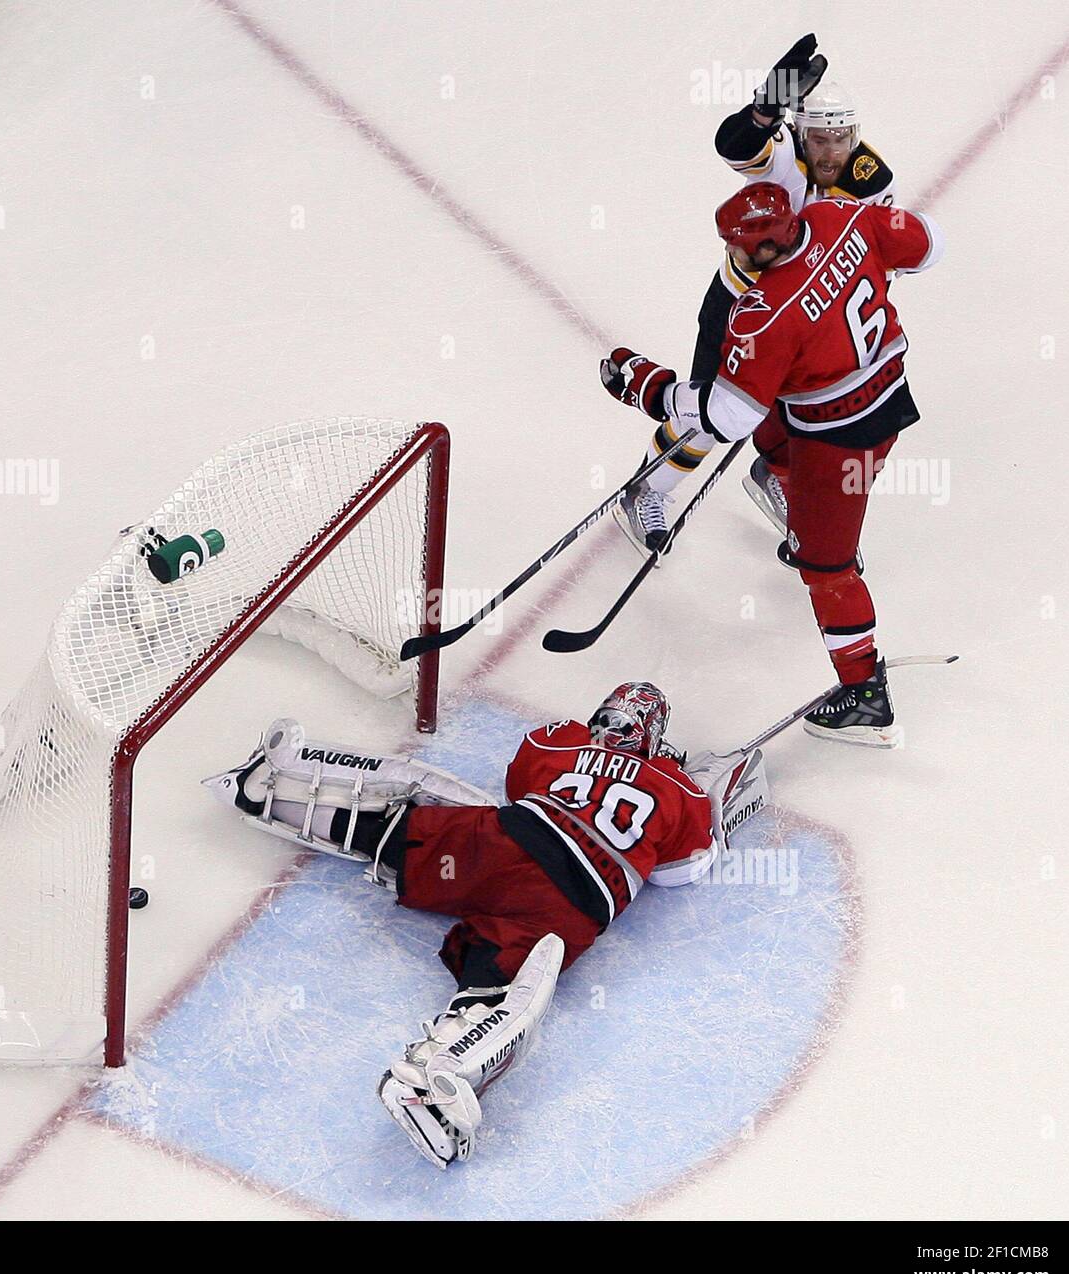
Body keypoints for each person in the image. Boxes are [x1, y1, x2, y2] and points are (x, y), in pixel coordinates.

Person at [203, 682, 767, 1168]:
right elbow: (680, 871)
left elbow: (517, 787)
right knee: (496, 987)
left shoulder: (560, 738)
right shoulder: (683, 791)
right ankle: (437, 1075)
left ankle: (269, 794)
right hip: (569, 903)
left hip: (502, 846)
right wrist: (700, 789)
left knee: (404, 832)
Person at [601, 182, 943, 745]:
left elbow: (725, 418)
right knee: (780, 412)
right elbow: (930, 245)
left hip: (838, 442)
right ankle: (781, 477)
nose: (730, 254)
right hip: (889, 400)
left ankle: (864, 696)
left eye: (736, 246)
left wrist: (646, 386)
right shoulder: (840, 214)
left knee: (827, 568)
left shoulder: (761, 315)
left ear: (763, 248)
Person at [618, 33, 899, 556]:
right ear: (801, 132)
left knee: (809, 413)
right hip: (742, 309)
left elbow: (882, 255)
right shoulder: (785, 156)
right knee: (711, 412)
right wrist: (764, 112)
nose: (831, 151)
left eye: (841, 139)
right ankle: (647, 489)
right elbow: (733, 145)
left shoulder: (872, 179)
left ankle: (771, 475)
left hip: (813, 319)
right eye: (820, 138)